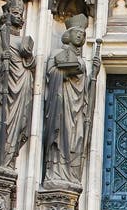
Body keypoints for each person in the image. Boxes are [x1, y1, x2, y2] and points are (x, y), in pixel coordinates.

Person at [0, 0, 35, 170]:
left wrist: (29, 57)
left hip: (22, 84)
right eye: (15, 13)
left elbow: (31, 65)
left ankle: (8, 161)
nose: (19, 17)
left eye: (20, 14)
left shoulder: (24, 40)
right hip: (2, 86)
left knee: (16, 125)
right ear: (7, 14)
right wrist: (1, 59)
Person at [43, 14, 100, 185]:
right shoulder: (57, 54)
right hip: (62, 104)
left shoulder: (82, 61)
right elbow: (51, 73)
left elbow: (87, 92)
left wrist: (94, 75)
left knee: (77, 138)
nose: (80, 35)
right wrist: (64, 72)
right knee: (62, 136)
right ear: (68, 34)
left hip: (78, 110)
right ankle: (57, 173)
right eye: (77, 32)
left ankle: (71, 175)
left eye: (83, 33)